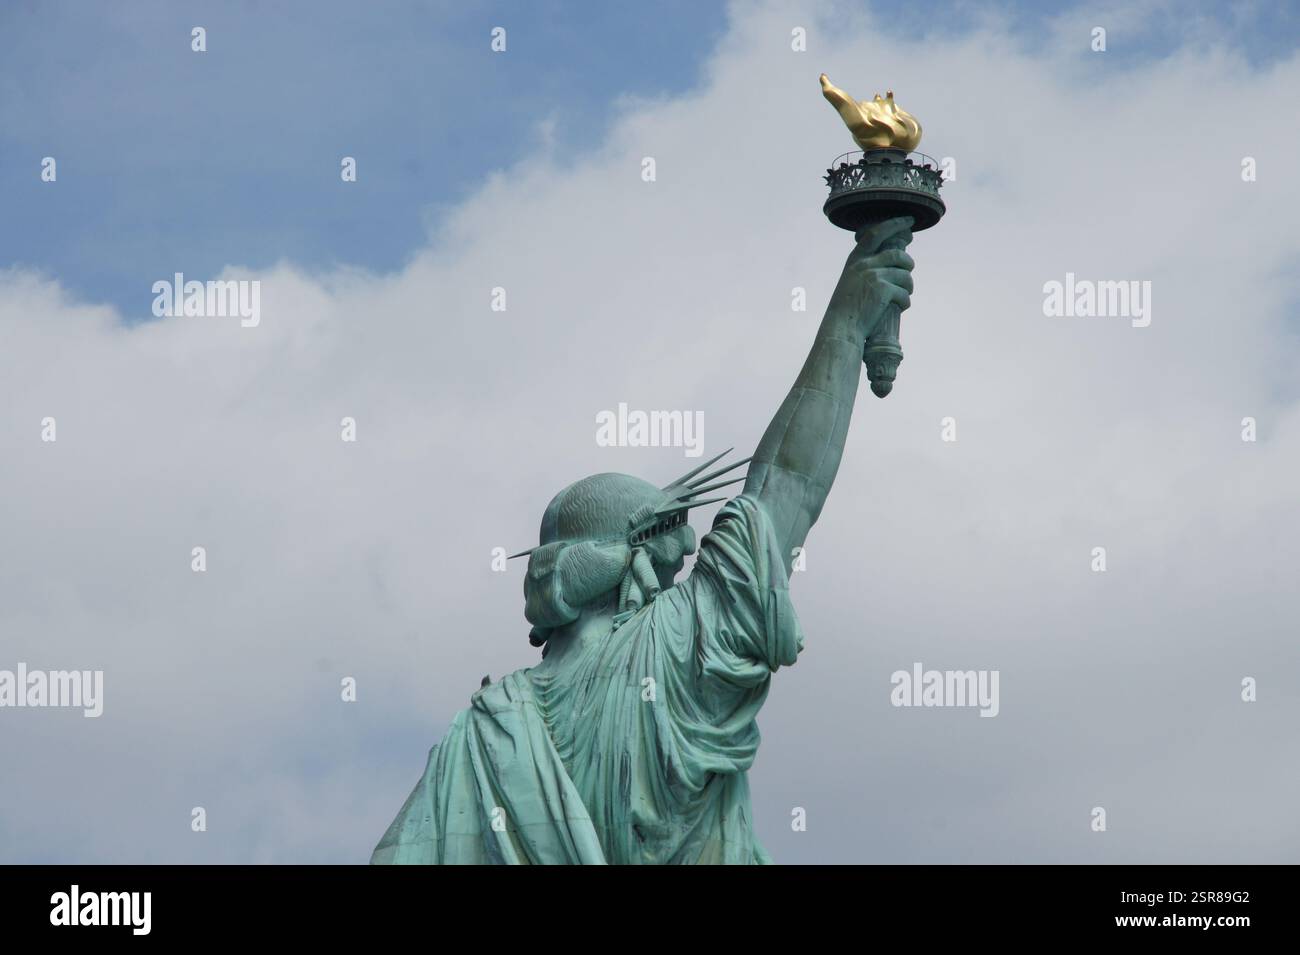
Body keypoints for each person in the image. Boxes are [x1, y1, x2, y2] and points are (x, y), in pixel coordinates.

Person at [371, 216, 916, 864]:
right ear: (637, 560)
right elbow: (788, 486)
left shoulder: (484, 734)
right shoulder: (676, 651)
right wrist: (848, 324)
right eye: (673, 540)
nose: (686, 552)